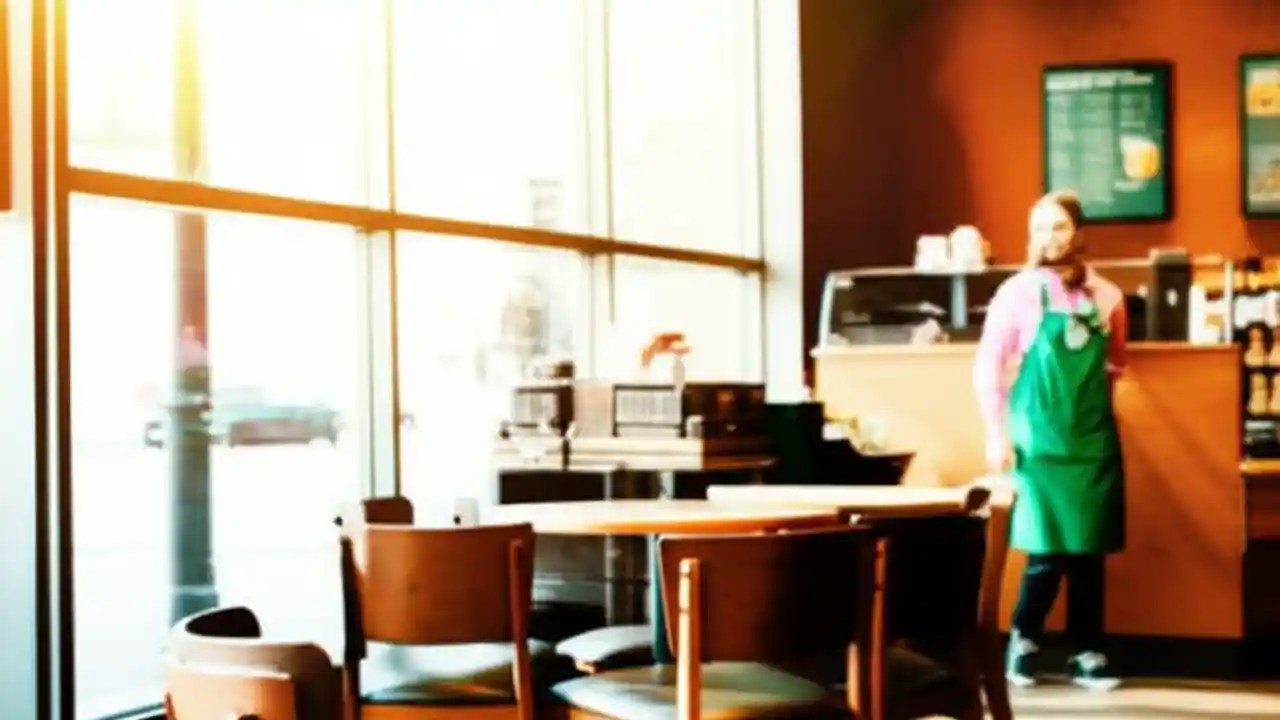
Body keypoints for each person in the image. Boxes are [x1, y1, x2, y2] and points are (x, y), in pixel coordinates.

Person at [973, 191, 1126, 691]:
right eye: (1039, 227)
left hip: (1092, 440)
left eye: (1059, 226)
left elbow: (1114, 368)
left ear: (1079, 233)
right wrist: (996, 434)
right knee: (1046, 551)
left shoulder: (1109, 296)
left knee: (1090, 550)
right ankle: (1024, 637)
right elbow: (987, 369)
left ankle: (1087, 649)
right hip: (1036, 442)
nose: (1049, 237)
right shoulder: (1016, 292)